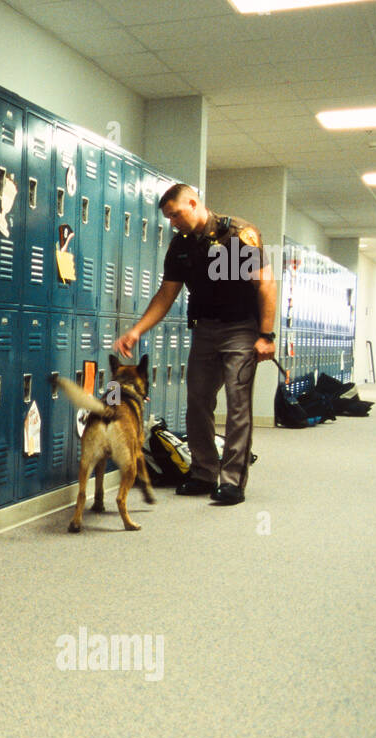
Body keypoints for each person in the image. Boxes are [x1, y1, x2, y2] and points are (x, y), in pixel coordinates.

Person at [114, 183, 276, 505]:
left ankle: (232, 482)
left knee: (237, 404)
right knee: (197, 401)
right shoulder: (182, 246)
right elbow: (166, 294)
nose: (172, 222)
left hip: (241, 330)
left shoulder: (238, 235)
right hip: (205, 330)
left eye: (175, 214)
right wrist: (137, 331)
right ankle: (204, 473)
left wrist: (266, 336)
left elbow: (266, 286)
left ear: (193, 202)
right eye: (169, 217)